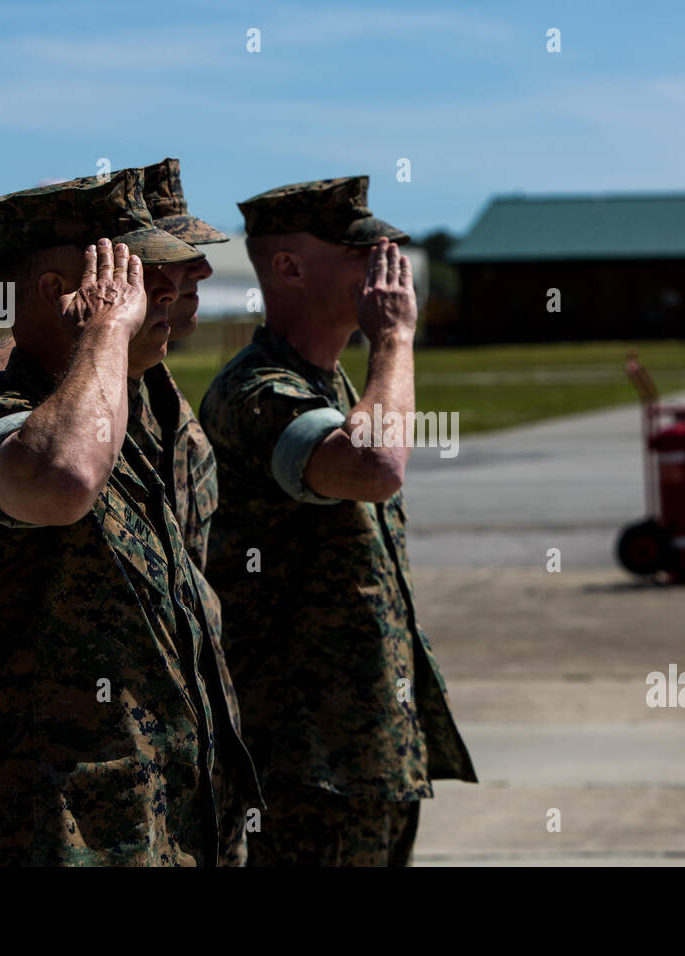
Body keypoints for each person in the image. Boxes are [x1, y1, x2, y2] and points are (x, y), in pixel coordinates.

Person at [0, 168, 250, 865]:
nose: (158, 293)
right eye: (129, 274)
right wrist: (106, 331)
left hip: (164, 830)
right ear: (54, 292)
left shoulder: (129, 408)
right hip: (46, 838)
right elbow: (62, 478)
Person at [199, 176, 478, 867]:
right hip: (305, 764)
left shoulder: (334, 386)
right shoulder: (257, 391)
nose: (385, 266)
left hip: (369, 753)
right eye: (361, 252)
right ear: (289, 267)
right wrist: (396, 340)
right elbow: (374, 465)